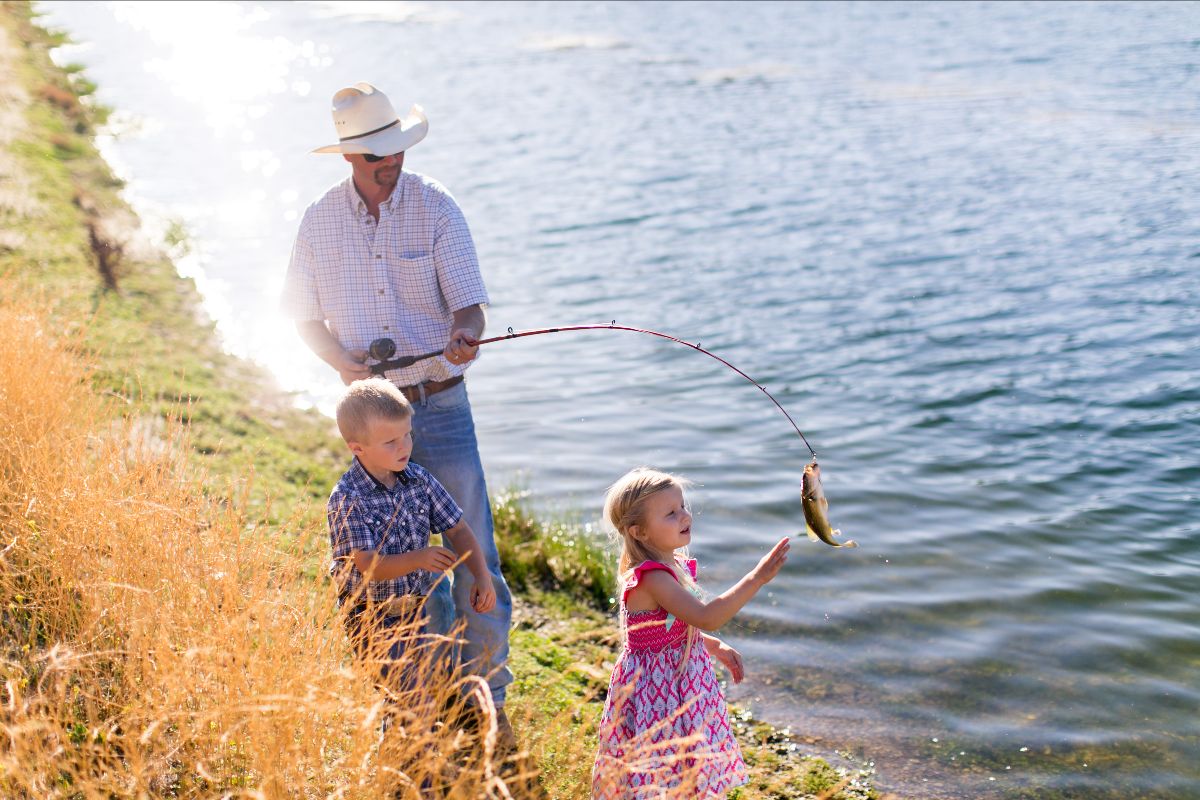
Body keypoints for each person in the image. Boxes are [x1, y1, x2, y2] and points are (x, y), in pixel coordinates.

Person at [281, 82, 514, 722]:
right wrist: (340, 361)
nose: (392, 160)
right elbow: (302, 318)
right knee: (382, 569)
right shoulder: (318, 221)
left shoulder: (437, 206)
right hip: (372, 419)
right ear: (350, 157)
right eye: (378, 152)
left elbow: (468, 301)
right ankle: (409, 696)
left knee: (475, 557)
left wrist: (465, 335)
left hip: (442, 406)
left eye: (396, 148)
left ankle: (488, 696)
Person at [592, 468, 791, 799]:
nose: (685, 515)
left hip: (680, 680)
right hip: (657, 693)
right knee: (661, 770)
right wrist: (757, 578)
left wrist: (711, 646)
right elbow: (706, 616)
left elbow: (668, 630)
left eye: (683, 506)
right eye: (670, 513)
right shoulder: (651, 578)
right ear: (638, 531)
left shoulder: (673, 566)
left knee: (686, 769)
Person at [327, 378, 496, 704]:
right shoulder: (347, 498)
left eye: (407, 435)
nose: (404, 446)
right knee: (400, 696)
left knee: (433, 684)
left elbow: (458, 529)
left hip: (425, 606)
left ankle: (430, 739)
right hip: (373, 616)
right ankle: (404, 748)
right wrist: (419, 558)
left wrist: (482, 575)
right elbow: (366, 565)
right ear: (357, 448)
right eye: (390, 441)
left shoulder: (419, 480)